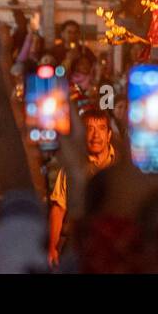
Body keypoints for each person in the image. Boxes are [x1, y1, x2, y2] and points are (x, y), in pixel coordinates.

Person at [48, 108, 117, 266]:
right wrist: (52, 247)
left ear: (109, 135)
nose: (95, 135)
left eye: (101, 128)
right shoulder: (73, 168)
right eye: (90, 129)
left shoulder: (120, 165)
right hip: (80, 245)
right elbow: (58, 209)